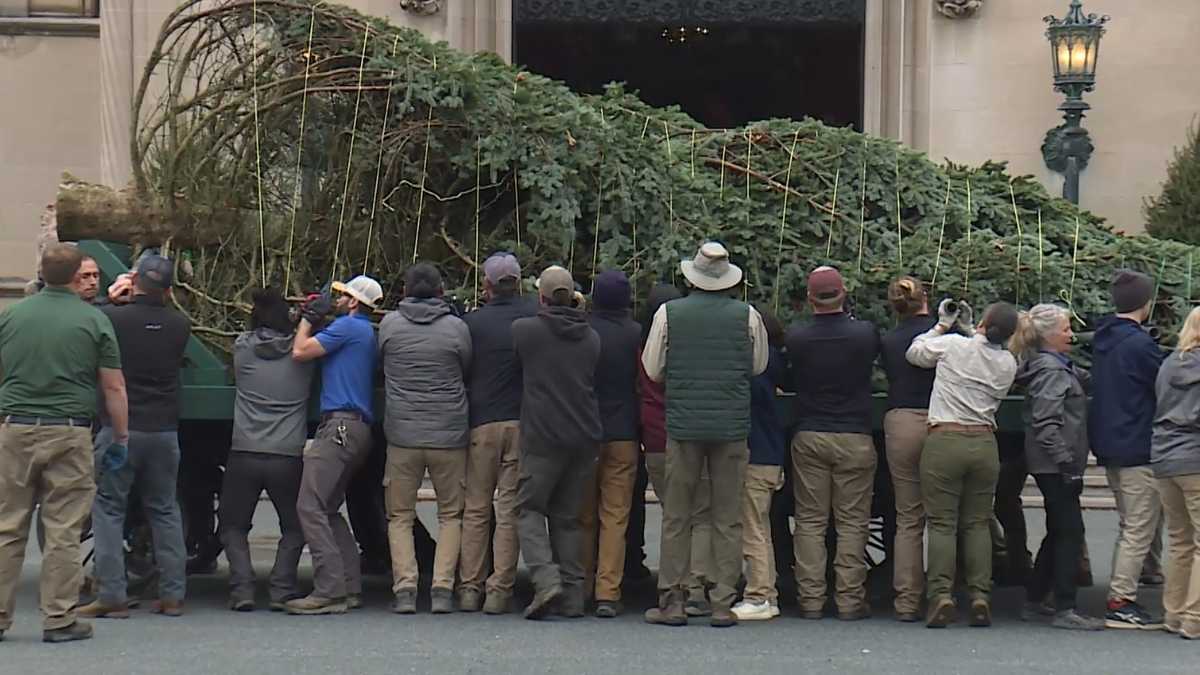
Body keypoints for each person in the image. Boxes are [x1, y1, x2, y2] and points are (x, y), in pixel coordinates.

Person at [0, 244, 129, 643]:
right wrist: (121, 436)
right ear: (77, 276)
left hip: (14, 427)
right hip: (69, 432)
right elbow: (113, 385)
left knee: (7, 525)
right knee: (63, 528)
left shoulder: (11, 316)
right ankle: (58, 618)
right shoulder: (93, 321)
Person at [643, 242, 769, 628]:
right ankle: (721, 602)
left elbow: (653, 368)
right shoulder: (747, 316)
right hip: (731, 427)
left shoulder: (669, 314)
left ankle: (673, 600)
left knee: (678, 515)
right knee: (727, 516)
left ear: (691, 277)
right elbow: (758, 365)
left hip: (683, 426)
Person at [81, 254, 191, 619]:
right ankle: (173, 595)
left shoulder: (112, 318)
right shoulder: (180, 325)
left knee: (109, 509)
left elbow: (91, 325)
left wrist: (111, 298)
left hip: (121, 430)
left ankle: (111, 594)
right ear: (170, 290)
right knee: (165, 510)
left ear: (134, 282)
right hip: (164, 431)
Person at [906, 300, 1019, 628]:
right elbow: (985, 349)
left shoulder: (953, 345)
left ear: (984, 322)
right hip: (984, 443)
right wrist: (974, 329)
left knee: (942, 522)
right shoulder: (1008, 362)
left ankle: (941, 594)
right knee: (977, 522)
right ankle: (980, 595)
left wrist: (942, 324)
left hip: (946, 438)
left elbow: (916, 352)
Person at [785, 266, 880, 621]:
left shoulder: (797, 338)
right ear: (843, 293)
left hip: (810, 432)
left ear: (811, 299)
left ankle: (810, 600)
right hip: (854, 433)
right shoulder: (864, 334)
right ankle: (849, 600)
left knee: (810, 520)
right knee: (853, 522)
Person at [379, 263, 472, 615]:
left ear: (404, 290)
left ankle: (405, 588)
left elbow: (381, 362)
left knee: (399, 515)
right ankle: (442, 588)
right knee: (451, 513)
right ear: (440, 291)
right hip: (448, 433)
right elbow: (467, 366)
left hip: (402, 433)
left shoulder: (389, 325)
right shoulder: (456, 328)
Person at [287, 275, 382, 615]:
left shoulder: (349, 328)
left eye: (342, 295)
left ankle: (329, 590)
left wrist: (309, 321)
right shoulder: (364, 332)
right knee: (327, 508)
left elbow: (300, 351)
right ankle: (349, 586)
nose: (337, 299)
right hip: (355, 429)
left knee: (309, 505)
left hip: (340, 425)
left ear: (354, 303)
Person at [512, 265, 602, 620]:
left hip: (543, 435)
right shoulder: (591, 338)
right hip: (584, 436)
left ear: (542, 297)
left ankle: (546, 580)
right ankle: (574, 596)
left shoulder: (526, 331)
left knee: (528, 508)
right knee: (566, 518)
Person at [217, 287, 315, 612]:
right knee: (294, 526)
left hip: (244, 450)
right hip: (287, 454)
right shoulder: (301, 357)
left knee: (232, 524)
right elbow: (308, 338)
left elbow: (250, 333)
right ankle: (281, 587)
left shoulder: (243, 349)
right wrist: (306, 318)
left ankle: (242, 588)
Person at [1012, 304, 1105, 631]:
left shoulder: (1052, 366)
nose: (1071, 334)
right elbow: (1046, 422)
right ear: (1049, 336)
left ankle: (1036, 599)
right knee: (1070, 532)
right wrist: (1066, 461)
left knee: (1058, 531)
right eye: (1065, 329)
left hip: (1051, 462)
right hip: (1056, 464)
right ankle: (1064, 606)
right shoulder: (1052, 372)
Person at [458, 253, 537, 615]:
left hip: (482, 422)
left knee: (475, 508)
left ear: (487, 285)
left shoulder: (473, 323)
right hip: (521, 421)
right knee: (509, 510)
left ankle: (470, 587)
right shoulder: (534, 317)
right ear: (518, 282)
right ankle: (499, 590)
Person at [1090, 270, 1167, 629]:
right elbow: (1166, 383)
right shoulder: (1141, 346)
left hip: (1111, 441)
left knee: (1137, 517)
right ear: (1146, 304)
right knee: (1138, 525)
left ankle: (1149, 571)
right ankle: (1121, 600)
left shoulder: (1105, 340)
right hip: (1138, 443)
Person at [638, 284, 714, 614]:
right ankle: (698, 586)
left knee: (674, 515)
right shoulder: (692, 346)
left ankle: (674, 590)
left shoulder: (641, 349)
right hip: (691, 432)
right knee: (700, 515)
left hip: (655, 438)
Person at [579, 270, 642, 618]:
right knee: (615, 516)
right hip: (624, 432)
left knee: (583, 514)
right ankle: (608, 590)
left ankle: (583, 582)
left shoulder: (584, 331)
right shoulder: (635, 333)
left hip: (588, 431)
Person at [880, 276, 937, 621]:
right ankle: (947, 591)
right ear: (926, 298)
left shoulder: (888, 340)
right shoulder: (949, 335)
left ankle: (906, 601)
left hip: (901, 420)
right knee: (947, 517)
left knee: (908, 518)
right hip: (941, 419)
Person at [732, 308, 787, 622]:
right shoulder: (777, 363)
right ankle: (768, 592)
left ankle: (759, 595)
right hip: (772, 453)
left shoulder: (752, 370)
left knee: (751, 527)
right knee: (761, 526)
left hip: (754, 453)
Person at [1151, 306, 1200, 640]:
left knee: (1180, 540)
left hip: (1164, 456)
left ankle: (1173, 613)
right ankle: (1195, 617)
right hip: (1195, 457)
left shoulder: (1169, 364)